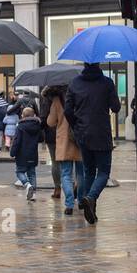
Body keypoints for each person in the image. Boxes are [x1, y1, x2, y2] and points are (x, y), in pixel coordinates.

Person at [64, 62, 121, 225]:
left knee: (89, 170)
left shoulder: (75, 83)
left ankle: (90, 209)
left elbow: (68, 110)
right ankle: (90, 197)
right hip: (101, 132)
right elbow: (116, 107)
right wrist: (110, 92)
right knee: (103, 172)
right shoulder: (106, 82)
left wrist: (76, 125)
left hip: (82, 133)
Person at [46, 86, 82, 215]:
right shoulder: (80, 95)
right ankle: (82, 200)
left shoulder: (57, 100)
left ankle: (69, 205)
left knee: (66, 174)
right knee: (81, 173)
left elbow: (50, 122)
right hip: (79, 139)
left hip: (64, 141)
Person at [12, 106, 44, 202]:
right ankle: (33, 194)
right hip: (33, 154)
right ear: (33, 115)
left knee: (19, 172)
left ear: (23, 115)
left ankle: (27, 184)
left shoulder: (20, 126)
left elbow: (16, 141)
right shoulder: (37, 125)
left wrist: (12, 152)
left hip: (22, 154)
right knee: (32, 174)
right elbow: (41, 138)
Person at [39, 87, 62, 200]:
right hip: (65, 133)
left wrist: (41, 126)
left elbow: (43, 118)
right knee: (69, 161)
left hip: (51, 134)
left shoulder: (46, 98)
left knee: (55, 161)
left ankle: (57, 188)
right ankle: (72, 186)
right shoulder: (67, 95)